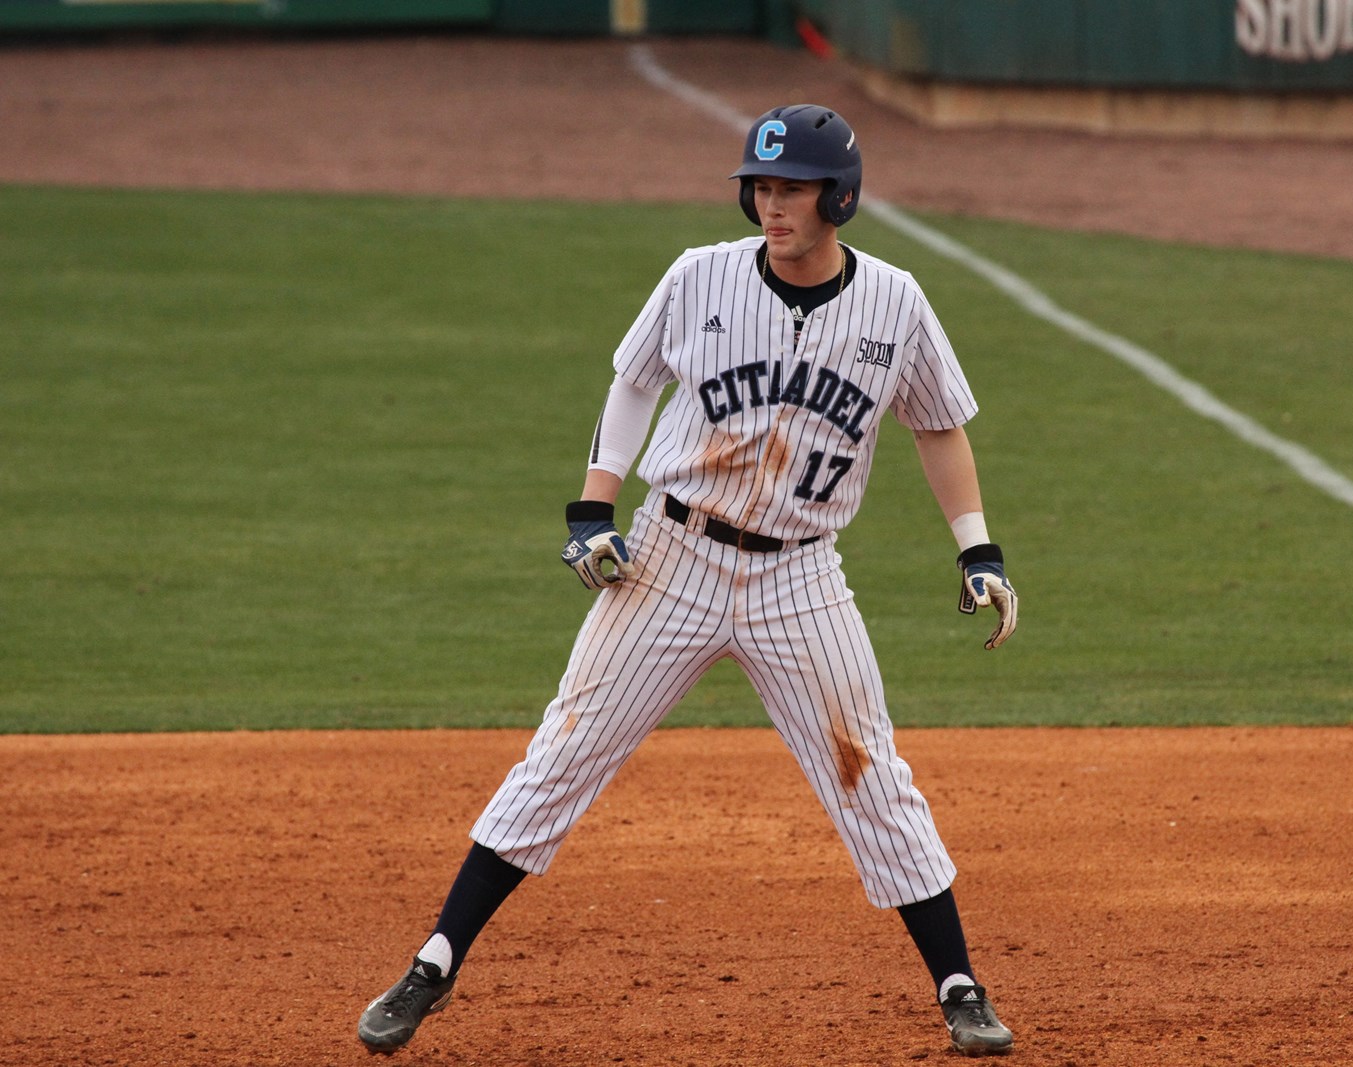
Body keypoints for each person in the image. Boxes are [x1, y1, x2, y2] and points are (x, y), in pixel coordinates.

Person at [357, 103, 1020, 1058]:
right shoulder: (699, 275)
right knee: (562, 756)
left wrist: (977, 549)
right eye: (760, 188)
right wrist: (592, 507)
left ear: (839, 198)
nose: (771, 205)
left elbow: (938, 424)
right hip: (671, 560)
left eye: (791, 190)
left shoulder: (895, 302)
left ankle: (960, 986)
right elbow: (636, 381)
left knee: (871, 776)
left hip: (801, 578)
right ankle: (432, 964)